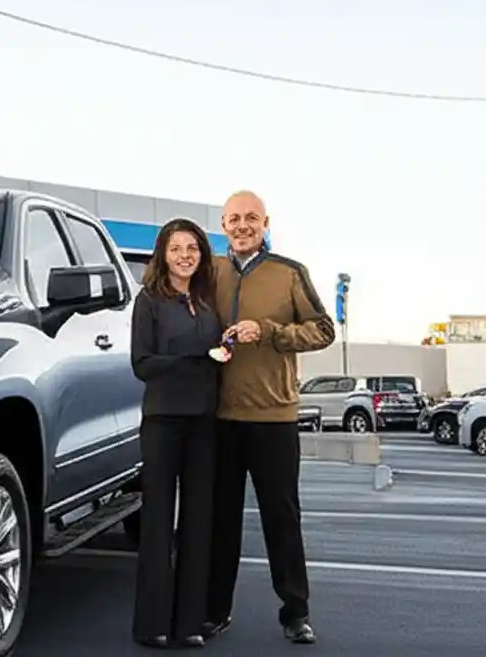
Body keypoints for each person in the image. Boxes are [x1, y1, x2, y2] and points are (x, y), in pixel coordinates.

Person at [203, 190, 335, 645]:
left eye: (251, 218)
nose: (242, 225)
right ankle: (214, 611)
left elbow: (323, 329)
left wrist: (271, 331)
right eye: (234, 218)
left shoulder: (289, 273)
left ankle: (295, 612)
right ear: (223, 225)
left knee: (281, 518)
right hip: (220, 417)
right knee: (220, 521)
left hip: (274, 417)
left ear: (265, 223)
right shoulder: (209, 273)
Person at [129, 218, 223, 650]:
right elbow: (143, 364)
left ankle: (189, 623)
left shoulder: (206, 302)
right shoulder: (149, 300)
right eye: (175, 248)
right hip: (163, 421)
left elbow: (217, 357)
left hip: (204, 422)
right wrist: (197, 358)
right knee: (158, 520)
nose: (184, 255)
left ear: (201, 254)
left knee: (199, 521)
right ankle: (151, 624)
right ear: (162, 255)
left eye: (192, 248)